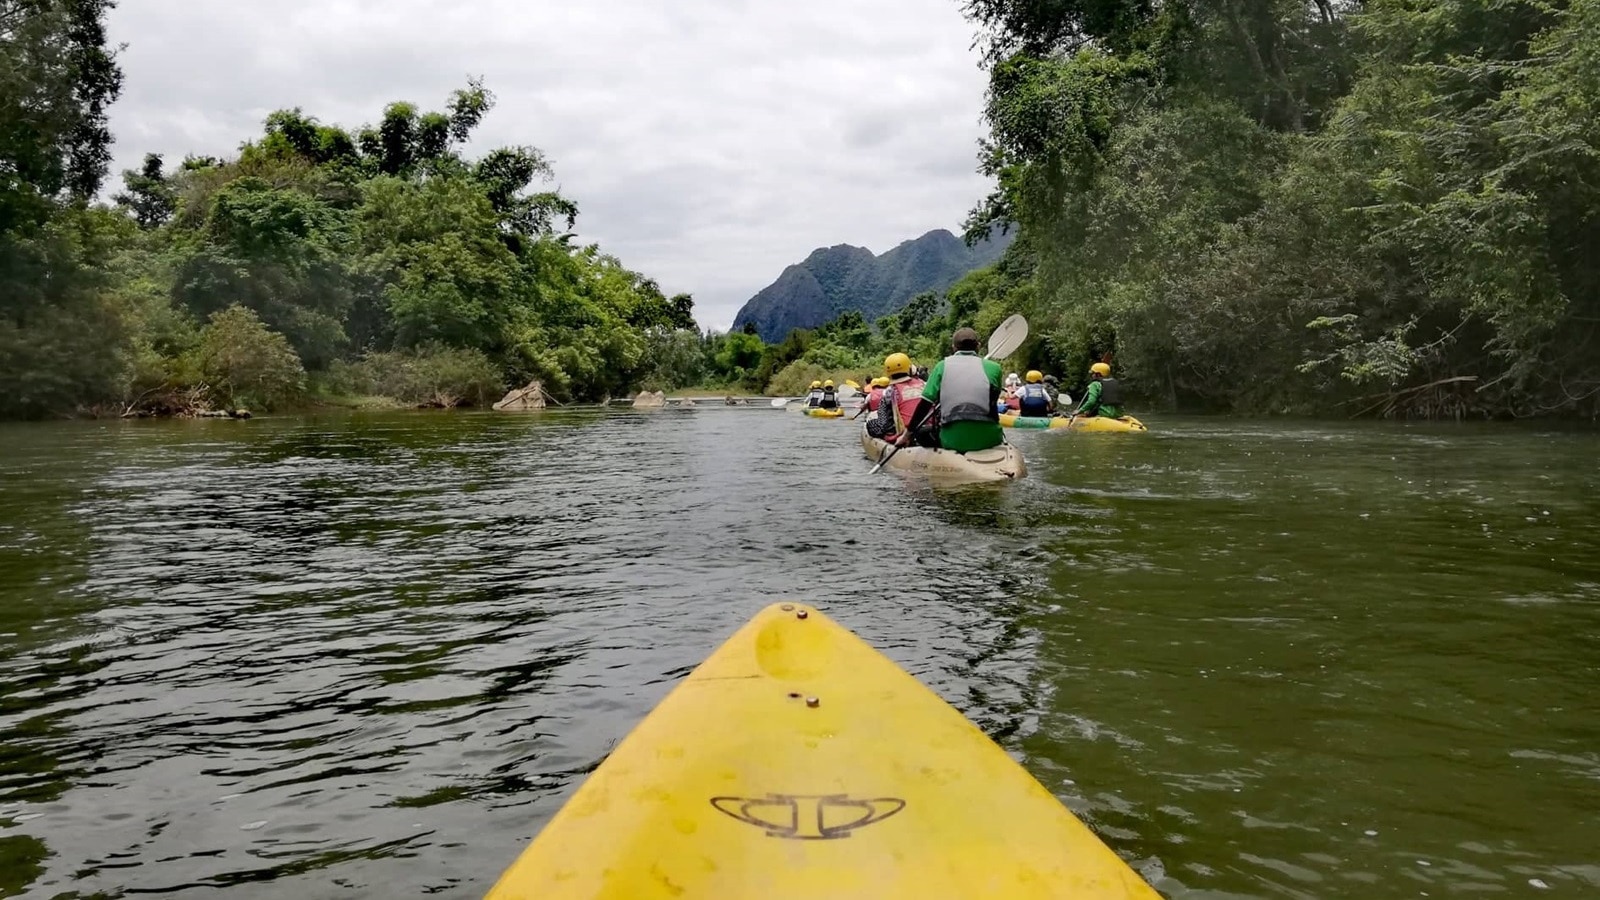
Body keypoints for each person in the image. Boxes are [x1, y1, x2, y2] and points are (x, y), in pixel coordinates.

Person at [904, 328, 1003, 452]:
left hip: (952, 440)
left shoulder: (941, 366)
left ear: (953, 347)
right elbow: (992, 401)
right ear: (978, 346)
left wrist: (907, 434)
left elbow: (925, 404)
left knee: (922, 433)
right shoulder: (995, 368)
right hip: (989, 439)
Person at [872, 352, 927, 443]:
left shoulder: (890, 391)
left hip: (903, 432)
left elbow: (884, 419)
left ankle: (890, 435)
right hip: (927, 429)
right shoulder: (924, 384)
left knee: (871, 424)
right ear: (908, 368)